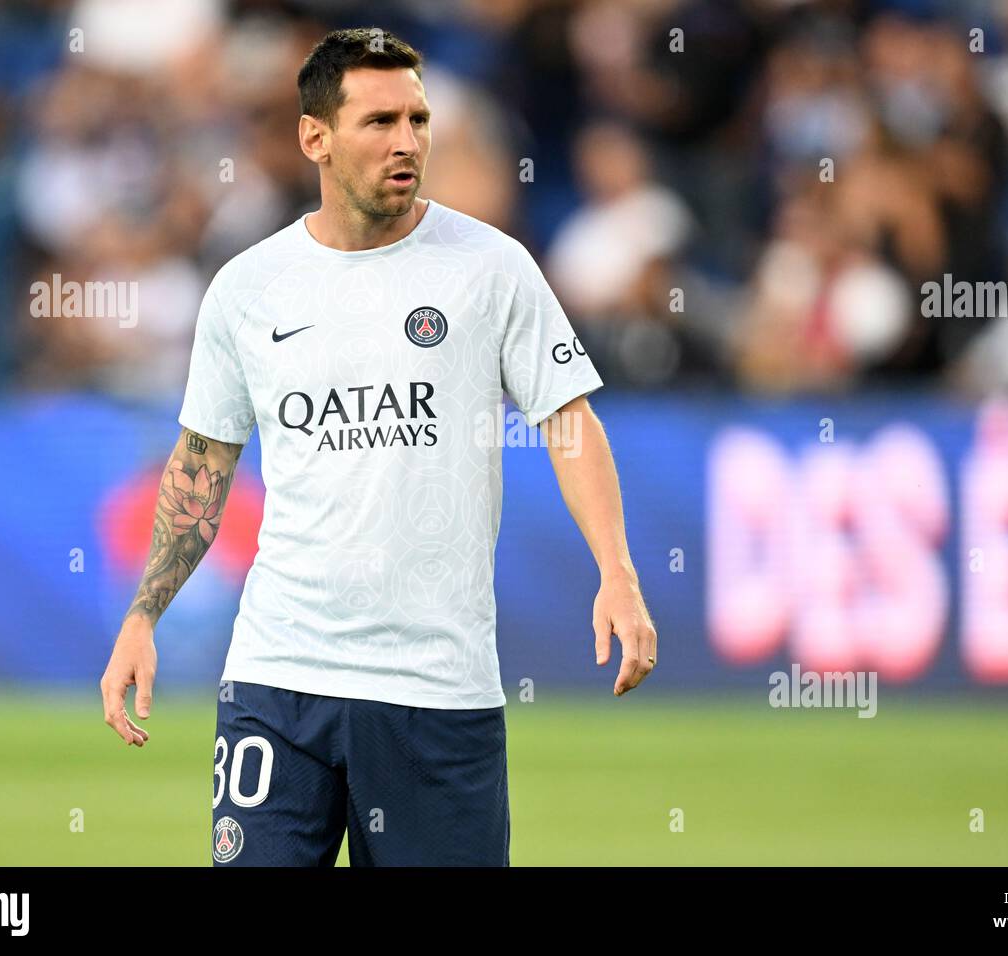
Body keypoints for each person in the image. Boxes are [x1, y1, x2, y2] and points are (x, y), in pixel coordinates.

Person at [98, 27, 658, 867]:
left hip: (435, 689)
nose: (407, 142)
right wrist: (143, 615)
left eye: (419, 119)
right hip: (277, 678)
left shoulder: (490, 268)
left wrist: (617, 570)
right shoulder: (248, 289)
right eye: (380, 121)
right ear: (314, 137)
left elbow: (568, 418)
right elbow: (203, 462)